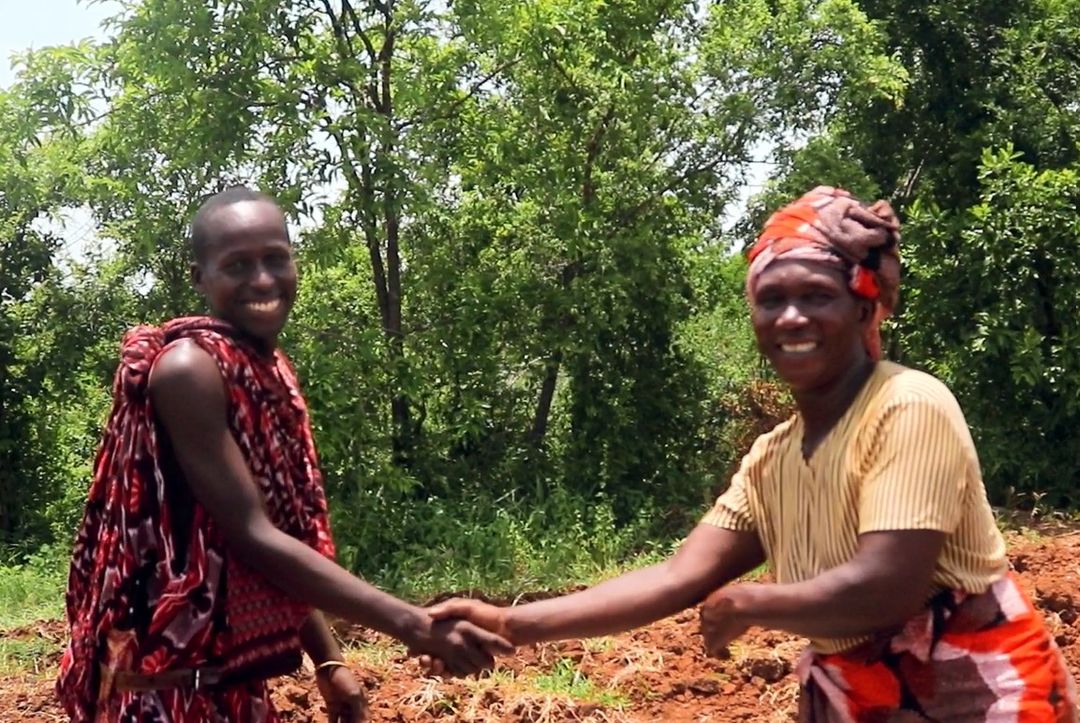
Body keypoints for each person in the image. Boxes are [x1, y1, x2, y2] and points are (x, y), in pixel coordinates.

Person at [424, 187, 1078, 721]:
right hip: (859, 699)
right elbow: (679, 576)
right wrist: (510, 623)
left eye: (817, 296)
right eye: (772, 299)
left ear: (862, 306)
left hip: (980, 695)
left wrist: (752, 602)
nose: (791, 316)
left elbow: (886, 586)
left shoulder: (908, 406)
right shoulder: (774, 455)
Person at [57, 187, 511, 723]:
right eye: (237, 265)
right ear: (200, 279)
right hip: (163, 695)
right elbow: (253, 535)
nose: (264, 279)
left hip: (229, 687)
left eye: (276, 258)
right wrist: (414, 624)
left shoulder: (264, 369)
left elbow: (282, 535)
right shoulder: (189, 371)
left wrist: (328, 662)